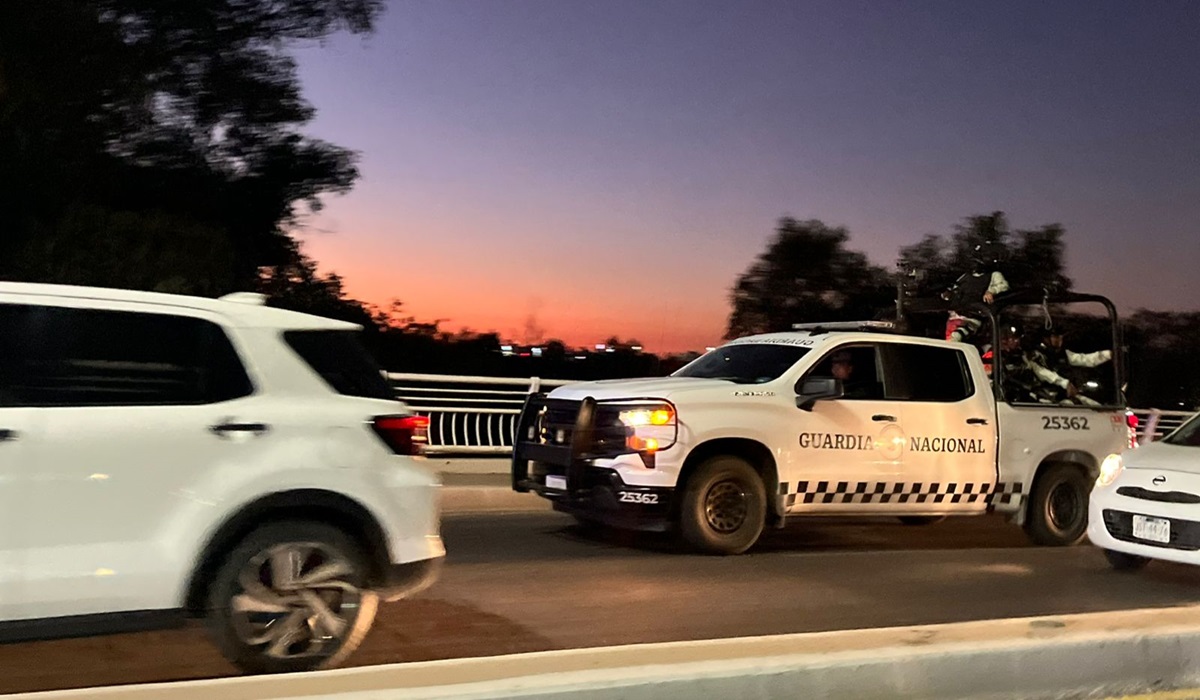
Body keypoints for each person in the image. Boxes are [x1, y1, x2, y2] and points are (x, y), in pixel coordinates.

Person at [943, 239, 1010, 343]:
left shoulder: (994, 275)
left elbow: (1004, 286)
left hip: (973, 319)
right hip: (955, 316)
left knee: (956, 337)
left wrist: (992, 291)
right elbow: (955, 287)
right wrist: (948, 294)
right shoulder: (966, 276)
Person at [997, 325, 1079, 404]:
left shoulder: (1024, 356)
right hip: (1007, 400)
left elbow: (1040, 371)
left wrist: (1064, 383)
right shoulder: (995, 357)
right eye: (1013, 338)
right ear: (1003, 340)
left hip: (1030, 396)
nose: (1017, 341)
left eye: (1018, 338)